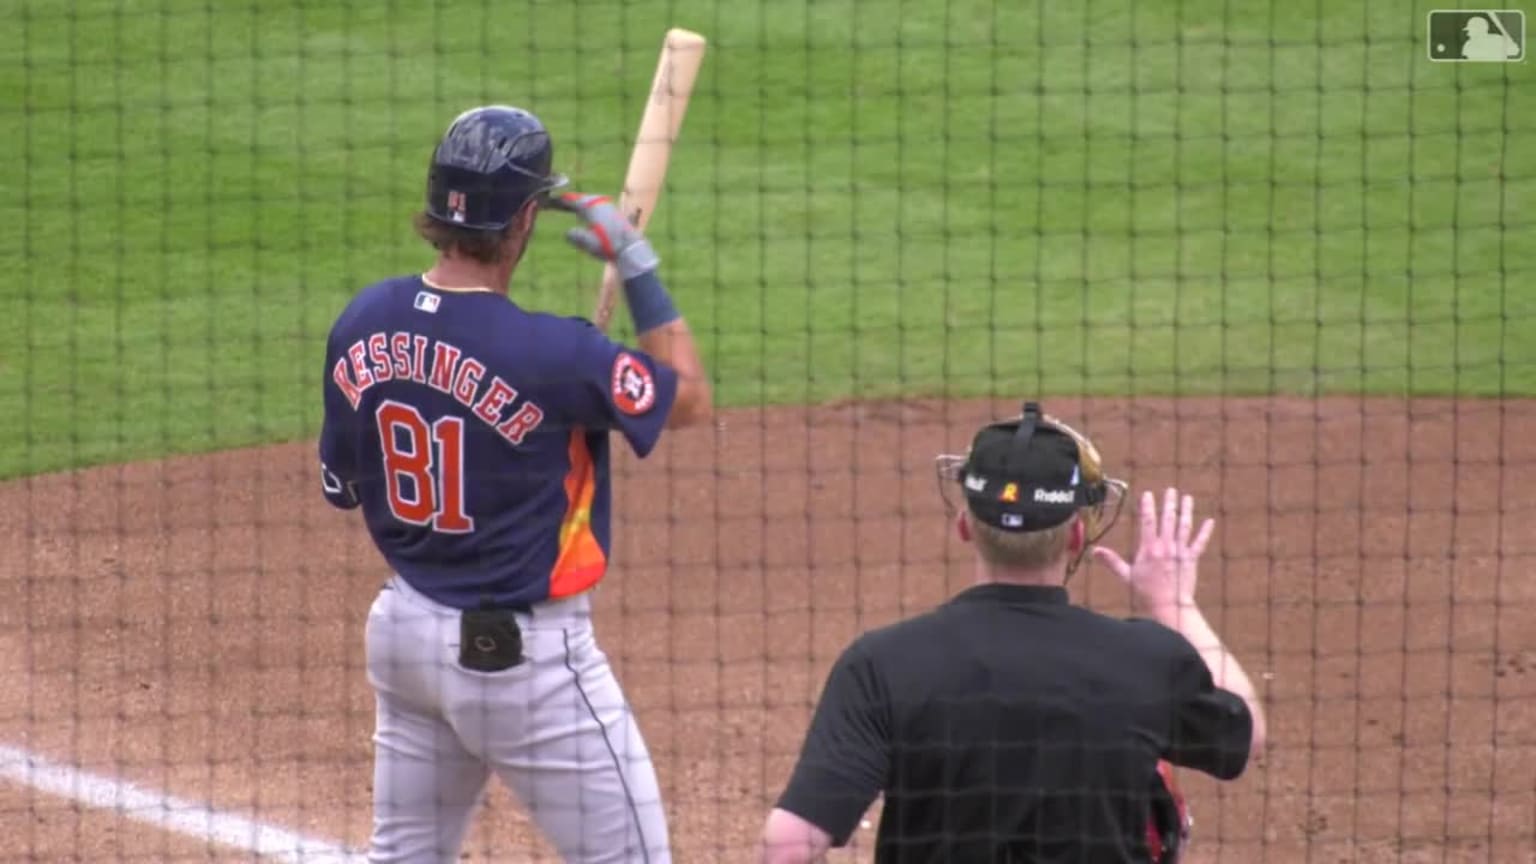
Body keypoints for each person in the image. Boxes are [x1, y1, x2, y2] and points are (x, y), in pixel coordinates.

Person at [317, 104, 711, 863]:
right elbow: (688, 395)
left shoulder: (362, 319)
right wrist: (638, 267)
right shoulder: (558, 355)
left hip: (402, 637)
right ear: (527, 218)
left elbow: (341, 485)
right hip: (520, 666)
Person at [759, 402, 1268, 863]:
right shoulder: (1147, 660)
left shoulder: (882, 665)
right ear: (1075, 535)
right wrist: (1172, 603)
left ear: (965, 524)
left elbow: (787, 847)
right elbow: (1246, 739)